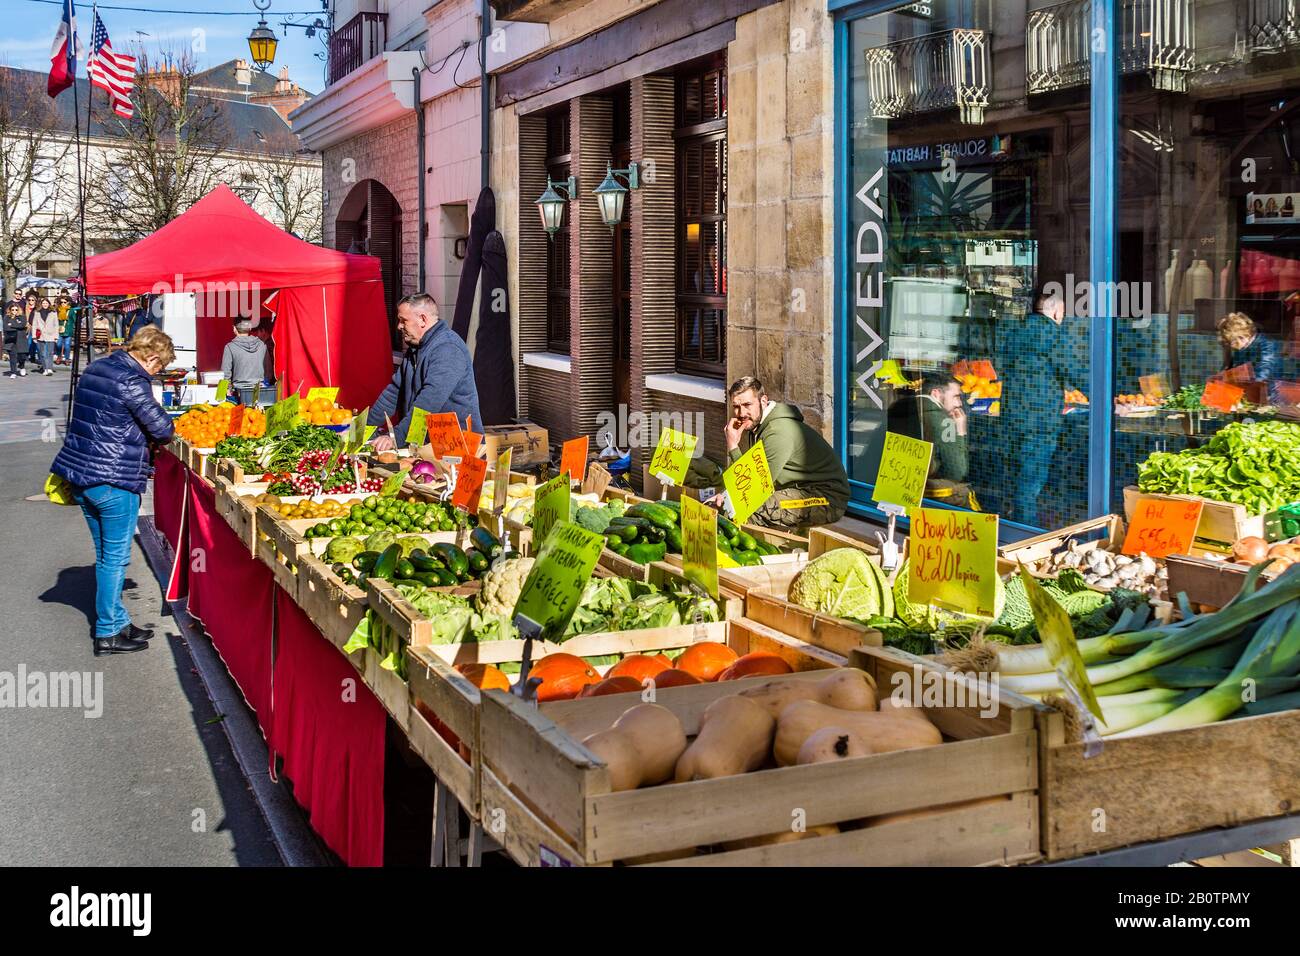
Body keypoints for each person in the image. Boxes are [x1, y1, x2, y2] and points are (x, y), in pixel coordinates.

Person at [51, 326, 176, 656]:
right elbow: (162, 429)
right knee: (115, 560)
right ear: (150, 357)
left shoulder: (98, 367)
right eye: (159, 366)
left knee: (106, 556)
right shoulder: (132, 380)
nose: (157, 372)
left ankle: (119, 621)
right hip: (113, 480)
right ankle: (107, 632)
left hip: (81, 476)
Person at [707, 377, 850, 531]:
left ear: (763, 401)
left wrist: (733, 445)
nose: (741, 413)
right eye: (736, 406)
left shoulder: (777, 432)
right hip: (797, 489)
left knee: (747, 511)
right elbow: (751, 474)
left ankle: (754, 554)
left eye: (747, 405)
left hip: (826, 499)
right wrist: (724, 495)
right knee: (726, 506)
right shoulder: (757, 424)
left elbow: (752, 490)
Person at [368, 293, 481, 451]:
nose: (399, 326)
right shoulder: (416, 348)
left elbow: (428, 403)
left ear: (422, 319)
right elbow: (393, 392)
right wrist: (365, 429)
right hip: (427, 444)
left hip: (455, 447)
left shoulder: (448, 349)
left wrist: (397, 437)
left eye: (403, 320)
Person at [1001, 282, 1071, 527]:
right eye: (1062, 314)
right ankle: (1026, 530)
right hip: (1040, 420)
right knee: (1032, 478)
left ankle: (1011, 522)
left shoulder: (1016, 333)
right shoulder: (1053, 334)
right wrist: (1107, 398)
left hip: (1012, 416)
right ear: (1055, 313)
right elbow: (1075, 371)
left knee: (1016, 474)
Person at [887, 369, 970, 484]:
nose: (959, 404)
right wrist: (961, 431)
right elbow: (956, 473)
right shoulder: (945, 421)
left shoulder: (897, 407)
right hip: (924, 494)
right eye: (955, 397)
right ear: (936, 393)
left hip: (891, 483)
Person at [1218, 311, 1282, 403]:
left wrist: (1237, 383)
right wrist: (1220, 378)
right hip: (1245, 396)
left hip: (1267, 398)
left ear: (1241, 337)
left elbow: (1264, 372)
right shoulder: (1241, 347)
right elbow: (1230, 369)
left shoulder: (1267, 345)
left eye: (1231, 342)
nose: (1231, 346)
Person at [220, 317, 268, 405]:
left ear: (234, 328)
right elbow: (268, 371)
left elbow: (225, 374)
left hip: (238, 395)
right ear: (250, 328)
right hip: (260, 393)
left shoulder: (230, 347)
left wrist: (221, 396)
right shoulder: (262, 345)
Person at [32, 297, 59, 376]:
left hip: (51, 334)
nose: (45, 305)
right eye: (43, 303)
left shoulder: (53, 312)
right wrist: (34, 336)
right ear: (41, 304)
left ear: (49, 304)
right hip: (40, 335)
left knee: (50, 352)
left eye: (46, 303)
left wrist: (56, 336)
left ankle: (50, 368)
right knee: (42, 353)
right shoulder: (37, 312)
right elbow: (34, 324)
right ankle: (45, 368)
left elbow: (56, 325)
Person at [4, 301, 29, 378]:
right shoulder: (6, 317)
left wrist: (11, 325)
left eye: (16, 310)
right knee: (12, 356)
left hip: (21, 339)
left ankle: (22, 366)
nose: (14, 311)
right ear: (10, 310)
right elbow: (6, 327)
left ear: (19, 310)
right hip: (11, 339)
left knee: (22, 356)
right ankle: (13, 372)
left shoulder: (22, 317)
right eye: (13, 310)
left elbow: (22, 325)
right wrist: (17, 325)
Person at [57, 298, 76, 366]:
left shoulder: (71, 310)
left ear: (68, 302)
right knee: (58, 345)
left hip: (68, 330)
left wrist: (74, 328)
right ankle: (59, 356)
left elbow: (75, 320)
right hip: (60, 330)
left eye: (64, 302)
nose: (63, 303)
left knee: (67, 346)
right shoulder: (58, 310)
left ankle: (67, 358)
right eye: (61, 302)